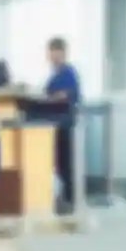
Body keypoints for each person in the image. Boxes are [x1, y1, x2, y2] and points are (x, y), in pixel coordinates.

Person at [44, 37, 81, 210]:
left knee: (66, 165)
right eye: (51, 53)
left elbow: (66, 95)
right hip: (53, 125)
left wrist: (50, 98)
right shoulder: (53, 76)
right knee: (57, 165)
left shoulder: (68, 73)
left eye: (56, 53)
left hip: (65, 124)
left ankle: (69, 201)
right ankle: (59, 199)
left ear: (63, 53)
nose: (53, 57)